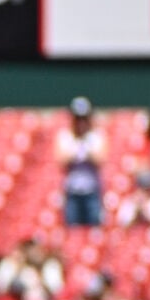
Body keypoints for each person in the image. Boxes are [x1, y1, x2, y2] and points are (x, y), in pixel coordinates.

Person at [57, 96, 107, 227]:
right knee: (72, 229)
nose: (80, 123)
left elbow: (100, 160)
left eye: (83, 119)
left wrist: (86, 146)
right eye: (78, 119)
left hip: (91, 190)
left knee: (94, 228)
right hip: (72, 190)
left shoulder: (96, 137)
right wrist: (75, 149)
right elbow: (61, 161)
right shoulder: (66, 136)